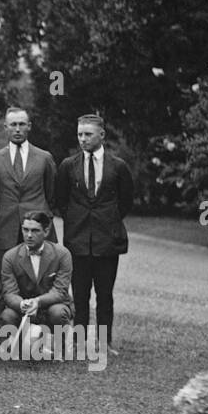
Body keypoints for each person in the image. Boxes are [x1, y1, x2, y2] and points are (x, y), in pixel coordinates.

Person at [53, 114, 133, 350]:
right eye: (80, 134)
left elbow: (126, 201)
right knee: (79, 294)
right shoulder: (68, 165)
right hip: (77, 241)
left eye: (88, 134)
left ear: (101, 135)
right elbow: (61, 200)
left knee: (105, 295)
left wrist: (108, 220)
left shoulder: (118, 166)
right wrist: (77, 220)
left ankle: (104, 342)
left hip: (107, 241)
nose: (83, 139)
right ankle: (78, 342)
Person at [0, 106, 57, 284]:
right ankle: (5, 311)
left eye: (21, 124)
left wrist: (43, 213)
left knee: (42, 276)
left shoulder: (44, 157)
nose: (17, 129)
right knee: (6, 278)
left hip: (37, 224)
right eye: (13, 125)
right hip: (6, 226)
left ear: (29, 126)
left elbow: (52, 193)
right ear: (5, 127)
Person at [0, 210, 74, 348]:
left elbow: (60, 291)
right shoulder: (10, 256)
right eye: (25, 230)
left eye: (35, 231)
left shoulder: (62, 254)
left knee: (58, 312)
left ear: (46, 232)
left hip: (50, 306)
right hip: (23, 307)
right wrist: (23, 305)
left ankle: (61, 346)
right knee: (7, 315)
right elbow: (9, 292)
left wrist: (38, 302)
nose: (29, 235)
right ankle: (17, 345)